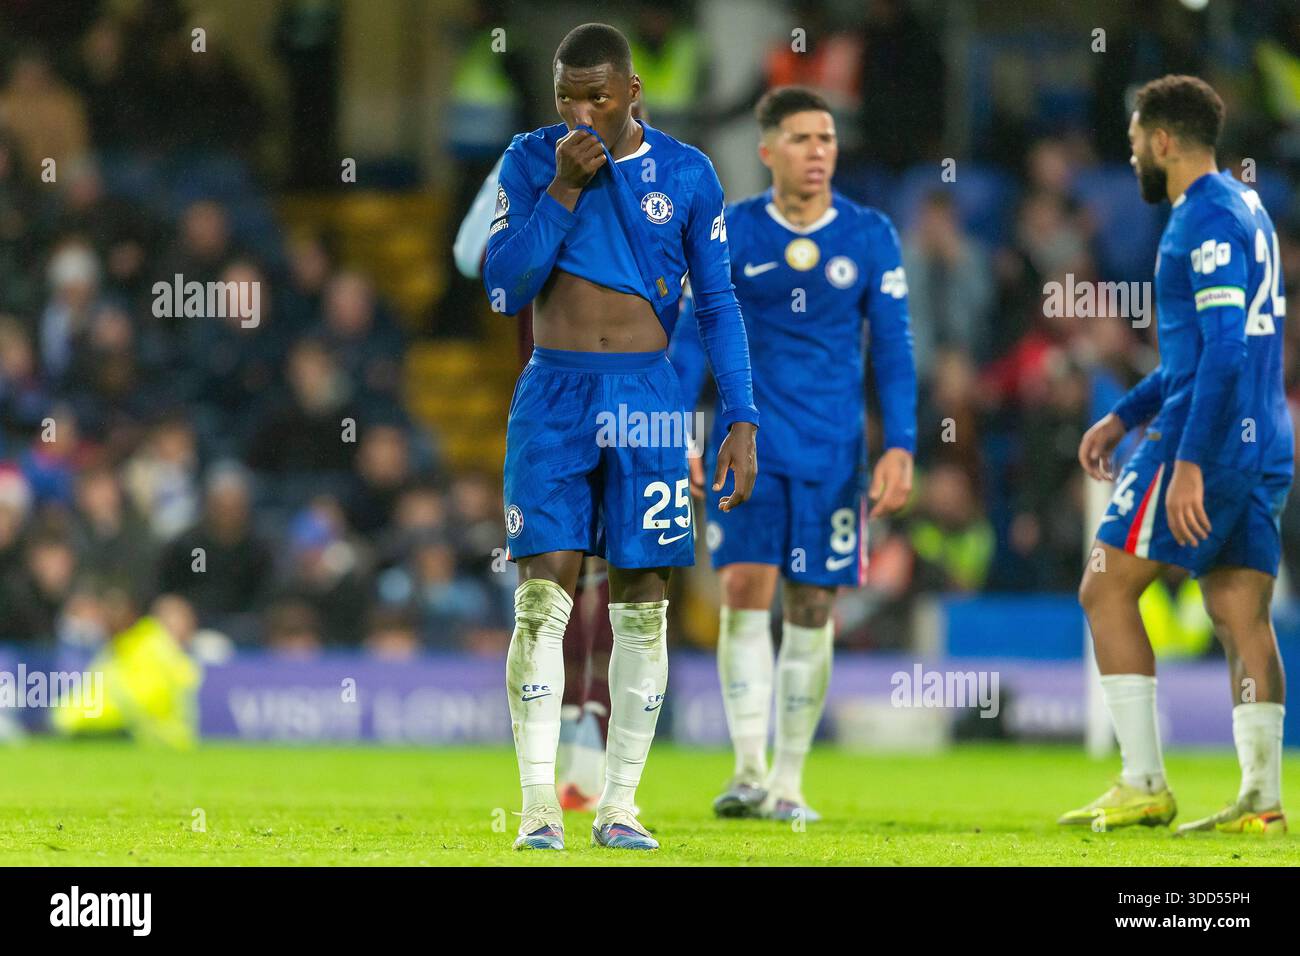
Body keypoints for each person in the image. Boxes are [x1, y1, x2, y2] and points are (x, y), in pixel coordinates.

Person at [482, 23, 758, 851]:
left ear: (631, 93)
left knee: (644, 607)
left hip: (650, 398)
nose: (581, 114)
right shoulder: (531, 162)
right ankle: (538, 806)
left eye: (597, 98)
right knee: (542, 603)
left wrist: (739, 416)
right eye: (567, 97)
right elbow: (504, 285)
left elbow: (717, 305)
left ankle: (619, 803)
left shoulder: (687, 173)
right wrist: (562, 191)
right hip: (555, 394)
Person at [671, 87, 915, 821]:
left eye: (829, 139)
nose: (819, 152)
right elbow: (690, 341)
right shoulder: (731, 232)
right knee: (744, 593)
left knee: (813, 606)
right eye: (803, 138)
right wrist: (679, 432)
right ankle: (748, 769)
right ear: (767, 149)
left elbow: (896, 352)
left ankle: (790, 782)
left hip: (834, 454)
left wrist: (900, 444)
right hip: (746, 449)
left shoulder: (870, 235)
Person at [1065, 75, 1291, 835]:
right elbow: (1202, 352)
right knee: (1238, 612)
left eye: (1133, 141)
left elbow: (1223, 352)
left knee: (1103, 588)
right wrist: (1124, 412)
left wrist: (1187, 461)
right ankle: (1261, 799)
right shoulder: (1247, 208)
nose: (1131, 155)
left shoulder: (1204, 220)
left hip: (1208, 439)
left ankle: (1143, 782)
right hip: (1262, 437)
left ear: (1162, 139)